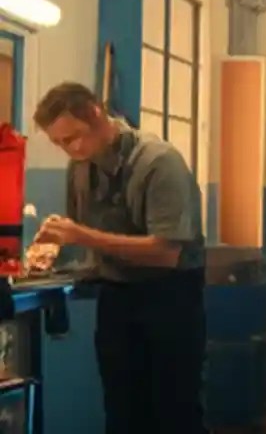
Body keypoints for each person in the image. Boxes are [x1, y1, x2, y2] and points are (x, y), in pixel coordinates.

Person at [31, 81, 207, 434]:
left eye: (74, 137)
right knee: (122, 408)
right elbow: (83, 230)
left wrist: (82, 236)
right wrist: (54, 245)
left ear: (96, 114)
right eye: (59, 143)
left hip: (170, 294)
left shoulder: (158, 161)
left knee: (174, 409)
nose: (70, 148)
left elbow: (166, 252)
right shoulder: (80, 166)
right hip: (116, 294)